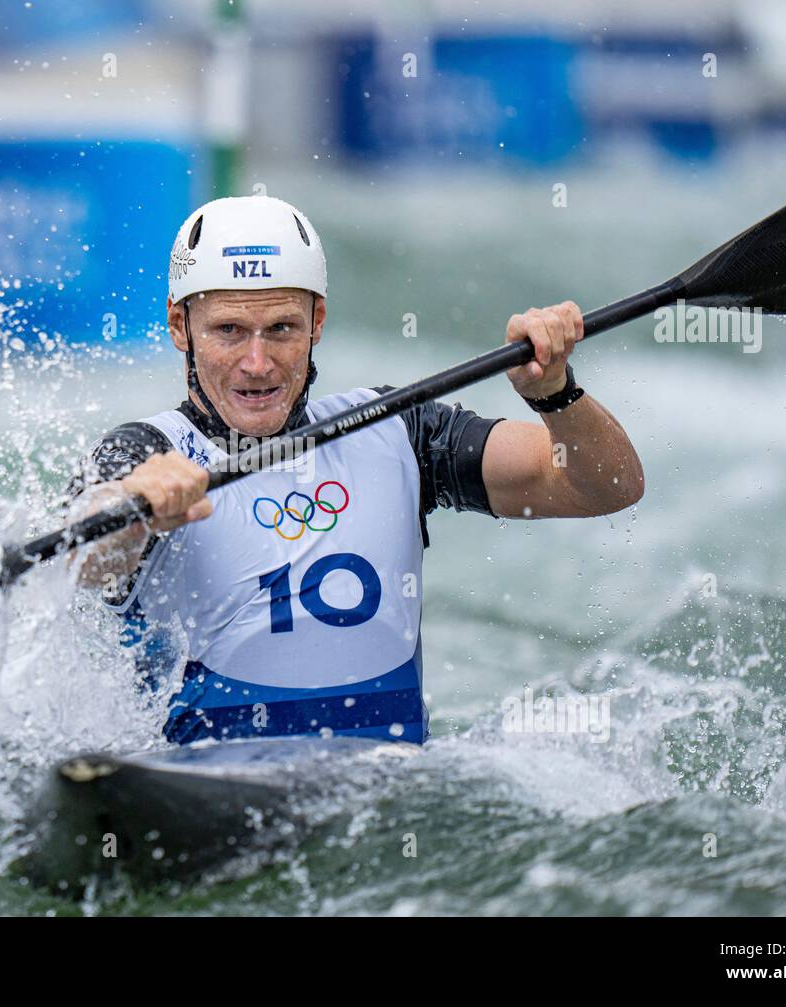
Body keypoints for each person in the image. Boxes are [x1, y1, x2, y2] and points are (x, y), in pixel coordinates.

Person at [67, 195, 643, 744]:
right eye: (229, 331)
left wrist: (555, 394)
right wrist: (135, 511)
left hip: (380, 794)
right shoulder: (143, 453)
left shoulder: (396, 429)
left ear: (317, 321)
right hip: (209, 794)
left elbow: (604, 487)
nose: (258, 363)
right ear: (179, 327)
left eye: (282, 329)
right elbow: (81, 561)